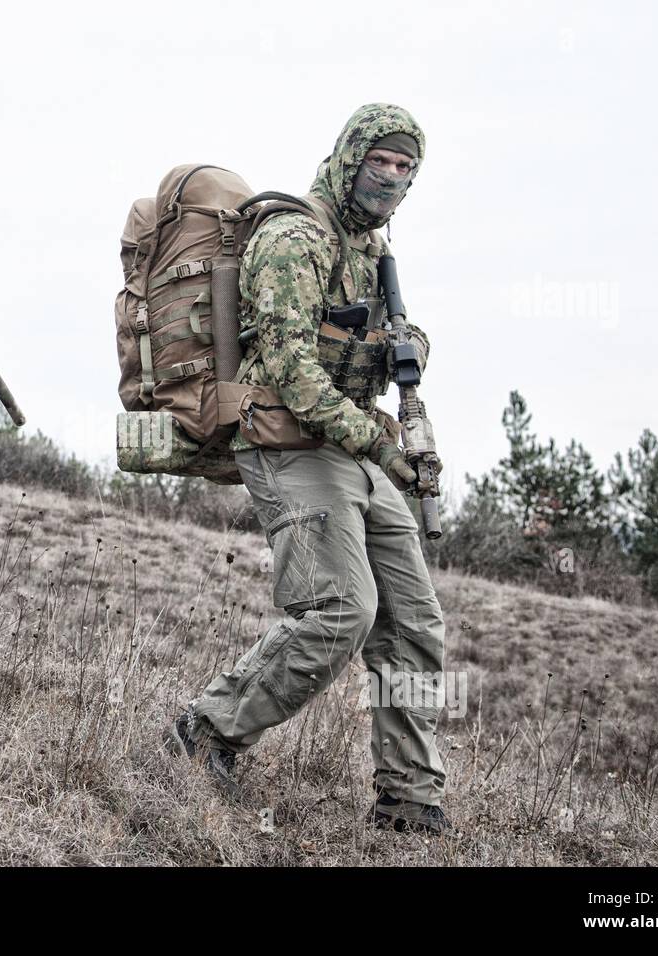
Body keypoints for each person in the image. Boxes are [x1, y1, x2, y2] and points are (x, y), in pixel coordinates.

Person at [167, 103, 452, 834]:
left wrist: (400, 349)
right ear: (350, 156)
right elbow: (292, 366)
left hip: (347, 448)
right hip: (289, 441)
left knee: (414, 621)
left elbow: (348, 353)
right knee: (340, 612)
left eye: (405, 167)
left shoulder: (371, 251)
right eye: (381, 161)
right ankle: (208, 729)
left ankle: (411, 797)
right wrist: (383, 444)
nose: (391, 178)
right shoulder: (297, 237)